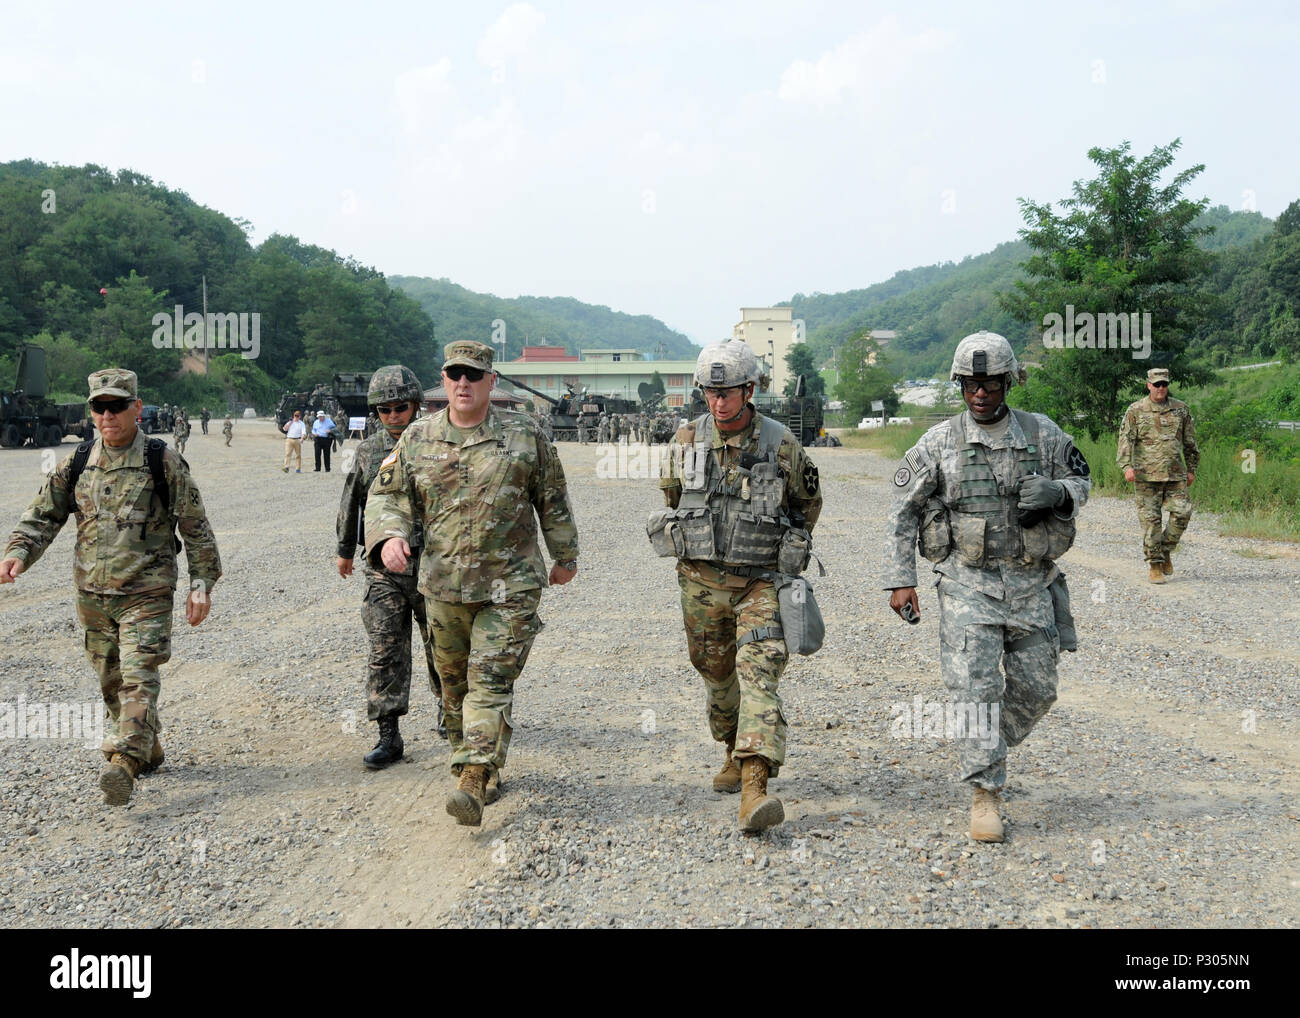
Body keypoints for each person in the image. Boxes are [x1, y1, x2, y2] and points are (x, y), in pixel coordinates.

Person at [882, 331, 1091, 843]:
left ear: (1008, 383)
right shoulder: (937, 443)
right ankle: (985, 794)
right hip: (966, 585)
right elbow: (902, 511)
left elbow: (1083, 480)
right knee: (975, 690)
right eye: (971, 384)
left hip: (1031, 583)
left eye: (991, 384)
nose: (981, 394)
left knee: (1039, 690)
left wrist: (1059, 491)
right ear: (960, 385)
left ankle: (985, 746)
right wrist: (900, 580)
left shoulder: (1042, 434)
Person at [365, 340, 579, 827]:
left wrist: (564, 554)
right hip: (442, 586)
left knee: (489, 680)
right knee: (454, 688)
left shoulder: (525, 435)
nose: (463, 383)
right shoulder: (417, 438)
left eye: (473, 375)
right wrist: (388, 536)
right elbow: (387, 496)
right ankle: (478, 762)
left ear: (491, 382)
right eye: (454, 374)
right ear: (443, 381)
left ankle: (473, 776)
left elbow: (553, 498)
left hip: (511, 585)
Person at [0, 369, 221, 805]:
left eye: (117, 406)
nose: (107, 415)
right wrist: (18, 552)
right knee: (111, 681)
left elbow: (196, 528)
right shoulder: (79, 460)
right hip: (93, 595)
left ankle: (124, 763)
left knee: (139, 677)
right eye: (99, 407)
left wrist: (201, 583)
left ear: (136, 408)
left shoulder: (163, 460)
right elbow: (43, 514)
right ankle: (147, 747)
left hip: (148, 592)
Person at [652, 340, 822, 832]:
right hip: (701, 584)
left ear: (750, 391)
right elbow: (673, 499)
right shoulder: (685, 441)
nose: (719, 401)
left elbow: (808, 505)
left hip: (760, 585)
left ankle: (755, 788)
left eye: (729, 392)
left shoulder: (782, 444)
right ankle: (731, 747)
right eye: (711, 391)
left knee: (760, 675)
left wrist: (784, 548)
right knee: (717, 676)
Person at [337, 365, 445, 770]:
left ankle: (447, 711)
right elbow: (352, 501)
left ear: (416, 405)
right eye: (384, 409)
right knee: (384, 649)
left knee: (442, 645)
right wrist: (345, 548)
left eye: (401, 407)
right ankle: (388, 734)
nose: (394, 415)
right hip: (383, 568)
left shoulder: (437, 444)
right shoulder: (367, 452)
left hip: (433, 563)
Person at [1117, 368, 1199, 583]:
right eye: (1157, 384)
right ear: (1148, 385)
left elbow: (1190, 442)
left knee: (1183, 513)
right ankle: (1154, 565)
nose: (1161, 388)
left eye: (1164, 384)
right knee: (1151, 523)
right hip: (1146, 477)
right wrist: (1126, 466)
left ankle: (1165, 551)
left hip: (1175, 475)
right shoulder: (1136, 410)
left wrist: (1191, 469)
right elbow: (1126, 439)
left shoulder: (1181, 410)